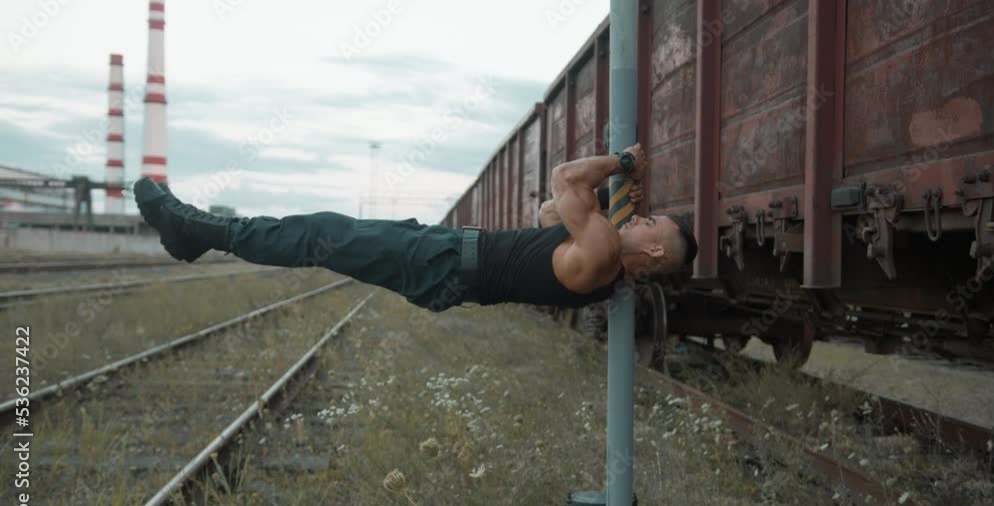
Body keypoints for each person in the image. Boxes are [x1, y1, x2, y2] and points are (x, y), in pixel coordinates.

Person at [132, 143, 697, 312]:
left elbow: (564, 177)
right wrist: (607, 200)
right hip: (447, 256)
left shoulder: (600, 251)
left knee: (320, 234)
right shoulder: (598, 257)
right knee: (327, 234)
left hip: (445, 263)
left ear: (650, 248)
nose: (639, 216)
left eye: (649, 221)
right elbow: (552, 215)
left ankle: (197, 230)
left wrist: (623, 164)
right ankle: (196, 235)